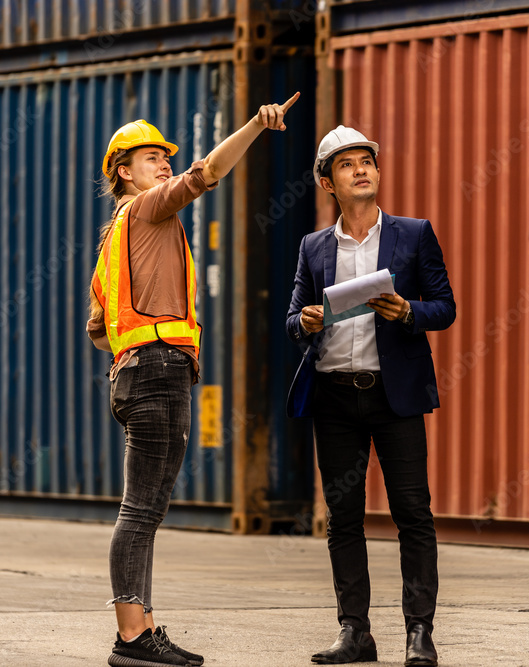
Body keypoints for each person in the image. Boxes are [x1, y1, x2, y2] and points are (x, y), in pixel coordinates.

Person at [88, 93, 300, 667]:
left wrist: (140, 340)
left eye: (165, 156)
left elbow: (99, 330)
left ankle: (142, 629)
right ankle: (132, 637)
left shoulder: (114, 238)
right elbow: (206, 173)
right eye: (151, 157)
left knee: (145, 509)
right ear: (123, 172)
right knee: (141, 510)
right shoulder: (148, 209)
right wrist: (255, 125)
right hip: (157, 371)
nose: (164, 163)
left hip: (135, 372)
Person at [285, 126, 456, 666]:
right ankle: (354, 632)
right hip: (334, 397)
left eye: (367, 161)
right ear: (327, 183)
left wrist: (408, 311)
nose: (361, 170)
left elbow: (445, 307)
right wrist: (306, 320)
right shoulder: (313, 246)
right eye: (347, 164)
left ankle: (419, 633)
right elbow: (291, 319)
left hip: (394, 397)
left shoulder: (414, 234)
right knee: (343, 518)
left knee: (413, 514)